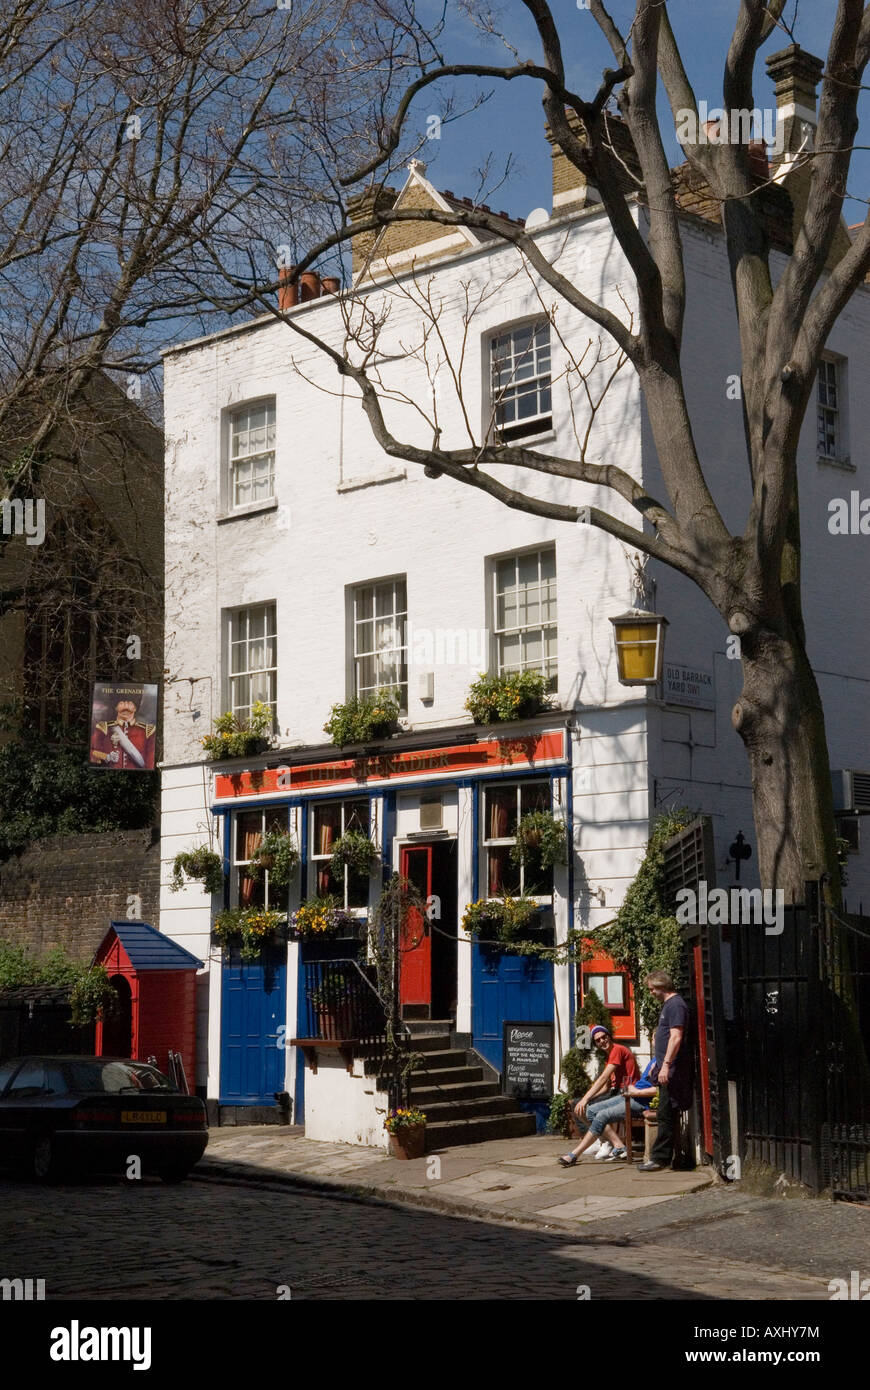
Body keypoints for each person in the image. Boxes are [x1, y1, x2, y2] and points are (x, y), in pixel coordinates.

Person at [557, 1025, 645, 1166]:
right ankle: (611, 1143)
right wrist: (588, 1099)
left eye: (604, 1037)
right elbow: (606, 1086)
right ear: (596, 1044)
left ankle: (603, 1144)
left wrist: (585, 1099)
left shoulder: (617, 1050)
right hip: (618, 1093)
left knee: (590, 1109)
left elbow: (604, 1077)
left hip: (627, 1094)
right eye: (598, 1040)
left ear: (609, 1036)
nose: (602, 1041)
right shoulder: (610, 1056)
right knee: (583, 1107)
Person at [637, 970, 693, 1172]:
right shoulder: (669, 1006)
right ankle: (665, 1157)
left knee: (666, 1113)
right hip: (665, 1068)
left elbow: (676, 1037)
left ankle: (660, 1159)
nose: (651, 992)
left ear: (661, 986)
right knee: (665, 1112)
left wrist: (667, 1065)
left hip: (672, 1070)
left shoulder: (675, 1006)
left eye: (652, 988)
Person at [90, 695, 156, 770]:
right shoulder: (104, 728)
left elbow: (151, 763)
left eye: (130, 704)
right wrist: (106, 756)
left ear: (135, 708)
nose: (126, 707)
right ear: (116, 708)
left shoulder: (147, 731)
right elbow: (91, 752)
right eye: (121, 703)